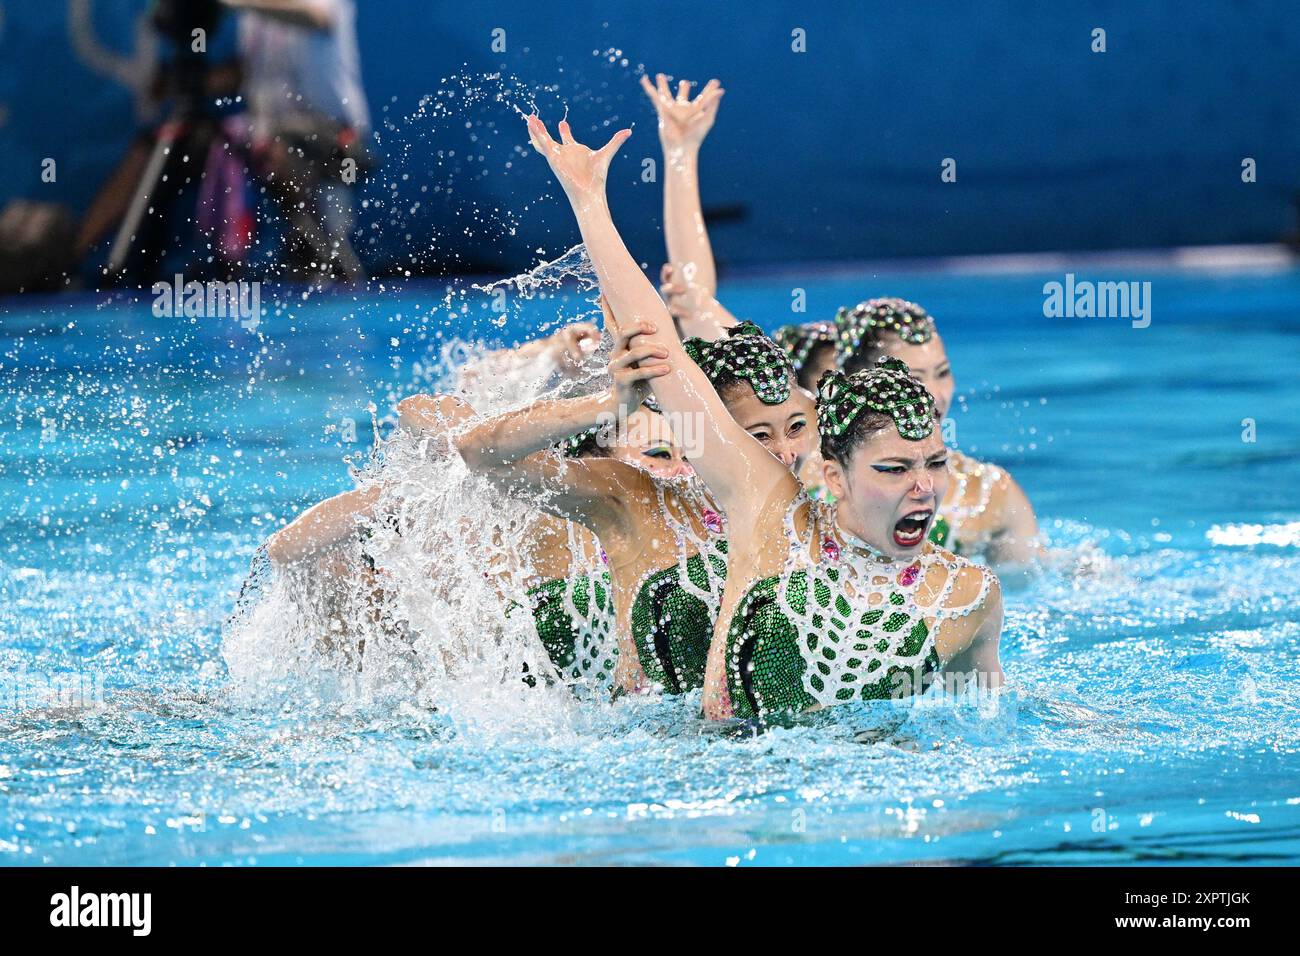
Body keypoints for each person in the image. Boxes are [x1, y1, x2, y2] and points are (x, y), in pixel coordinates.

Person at [521, 114, 1003, 723]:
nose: (925, 487)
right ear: (833, 475)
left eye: (933, 462)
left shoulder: (970, 596)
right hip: (720, 792)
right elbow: (669, 349)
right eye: (893, 468)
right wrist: (590, 203)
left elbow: (988, 720)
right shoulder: (772, 514)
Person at [832, 298, 1040, 565]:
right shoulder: (807, 477)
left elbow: (1030, 582)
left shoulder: (988, 495)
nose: (935, 395)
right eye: (914, 379)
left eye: (942, 373)